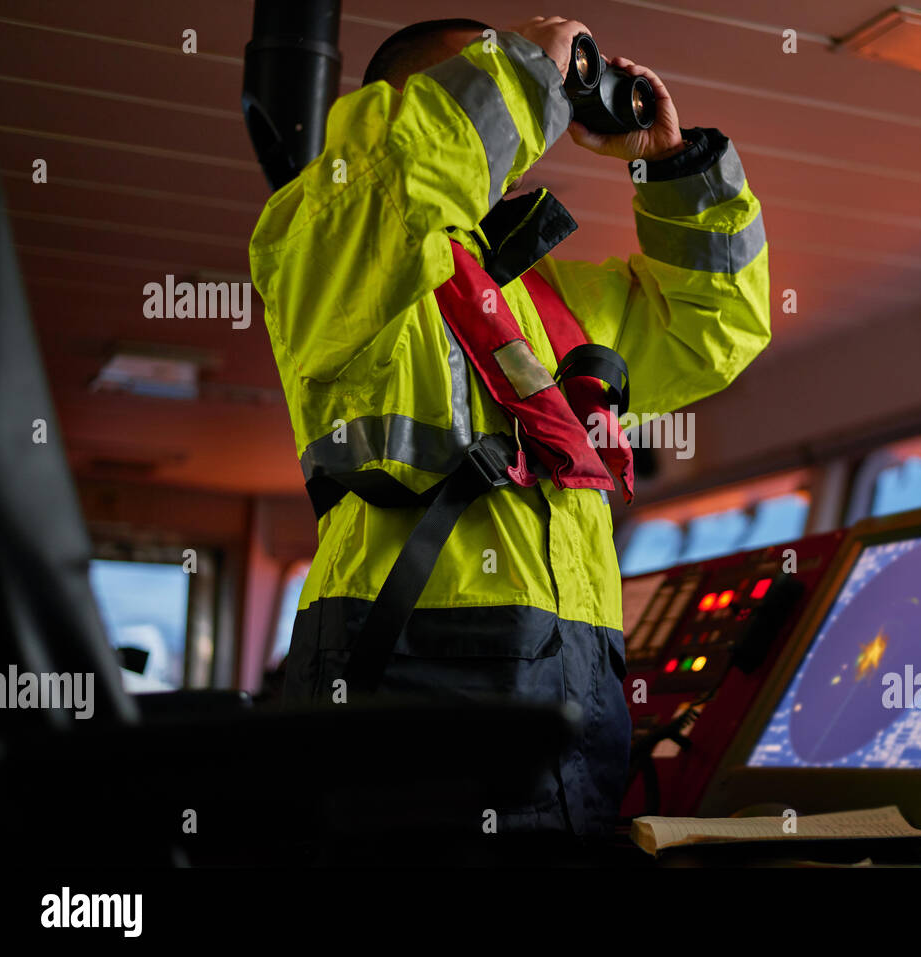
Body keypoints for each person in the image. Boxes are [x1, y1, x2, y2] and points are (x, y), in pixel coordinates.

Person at [248, 15, 769, 836]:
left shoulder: (553, 303)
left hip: (574, 694)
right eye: (484, 76)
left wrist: (670, 168)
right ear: (399, 107)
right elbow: (396, 185)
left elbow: (715, 327)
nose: (529, 94)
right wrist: (526, 68)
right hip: (402, 682)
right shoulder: (322, 240)